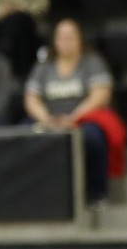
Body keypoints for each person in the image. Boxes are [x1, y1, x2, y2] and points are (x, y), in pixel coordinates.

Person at [25, 19, 120, 203]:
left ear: (79, 39)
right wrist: (46, 119)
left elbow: (100, 95)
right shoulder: (43, 66)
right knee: (26, 133)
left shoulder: (92, 62)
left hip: (84, 119)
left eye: (71, 38)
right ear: (54, 41)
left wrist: (74, 117)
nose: (66, 42)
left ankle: (96, 193)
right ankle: (34, 195)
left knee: (93, 137)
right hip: (49, 119)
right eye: (62, 38)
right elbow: (31, 99)